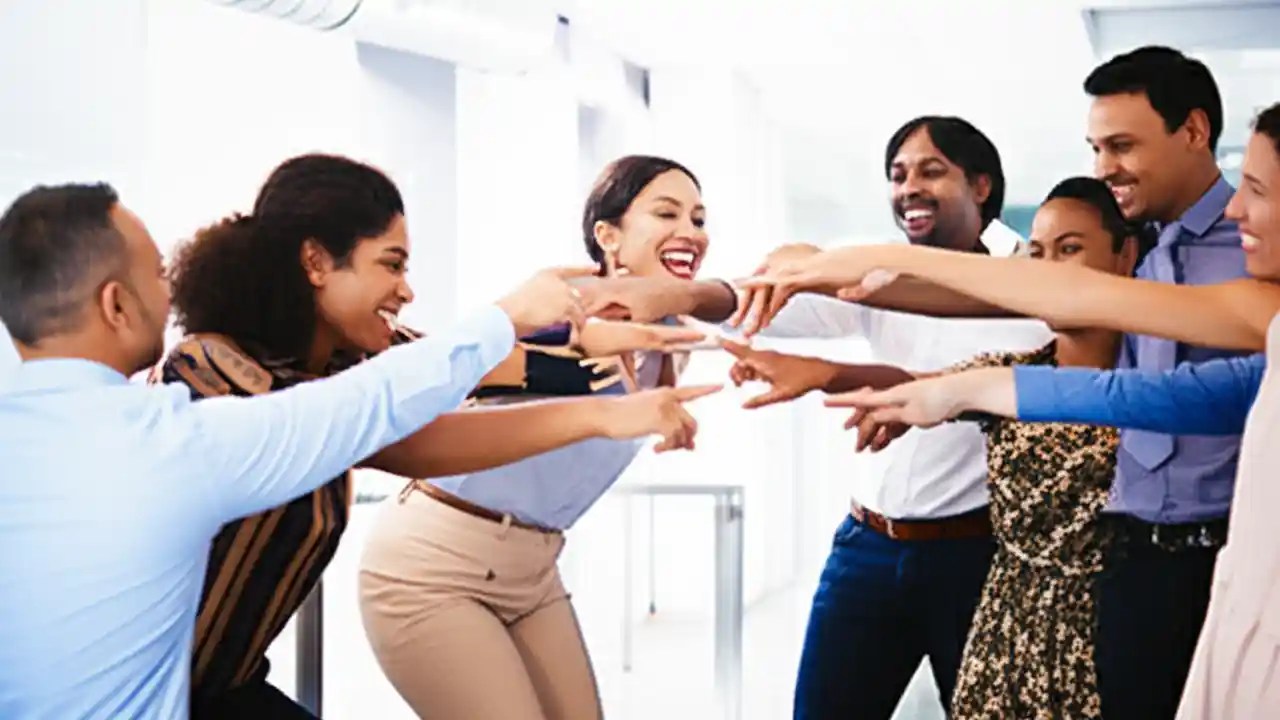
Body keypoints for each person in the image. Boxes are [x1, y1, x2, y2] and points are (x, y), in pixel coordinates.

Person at [743, 48, 1250, 718]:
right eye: (1095, 147)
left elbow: (1168, 396)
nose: (1104, 167)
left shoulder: (1229, 258)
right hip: (1124, 573)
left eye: (1121, 145)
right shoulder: (1143, 240)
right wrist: (847, 316)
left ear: (1192, 131)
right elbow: (986, 307)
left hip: (1215, 556)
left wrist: (973, 391)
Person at [0, 181, 601, 719]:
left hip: (228, 686)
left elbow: (422, 374)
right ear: (115, 304)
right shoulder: (181, 424)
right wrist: (512, 320)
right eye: (156, 274)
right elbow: (372, 407)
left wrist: (592, 349)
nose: (169, 290)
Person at [153, 153, 717, 719]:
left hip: (228, 680)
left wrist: (587, 359)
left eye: (698, 218)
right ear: (316, 262)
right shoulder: (215, 372)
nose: (406, 290)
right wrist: (548, 346)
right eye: (391, 265)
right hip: (146, 691)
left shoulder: (354, 357)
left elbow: (455, 371)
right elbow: (398, 433)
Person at [725, 177, 1142, 718]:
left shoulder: (1150, 377)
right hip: (1007, 634)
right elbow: (929, 386)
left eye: (1071, 250)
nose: (1049, 272)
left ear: (1125, 254)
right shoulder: (1016, 373)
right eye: (1038, 253)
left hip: (1101, 627)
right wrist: (821, 372)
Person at [355, 155, 748, 720]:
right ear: (607, 236)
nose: (690, 231)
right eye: (668, 213)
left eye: (699, 219)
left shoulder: (670, 339)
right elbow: (465, 366)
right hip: (434, 565)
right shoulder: (563, 308)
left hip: (533, 567)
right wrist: (579, 347)